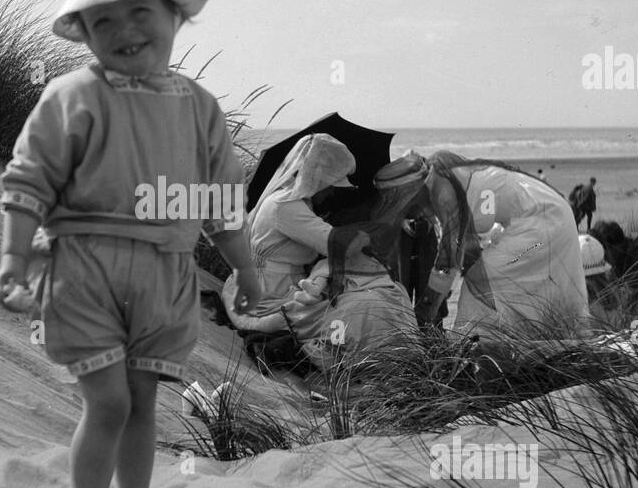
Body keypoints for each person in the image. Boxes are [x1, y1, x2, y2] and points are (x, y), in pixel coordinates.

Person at [0, 0, 260, 488]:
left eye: (139, 11)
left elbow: (222, 205)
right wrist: (12, 259)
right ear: (82, 32)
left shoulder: (200, 108)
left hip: (165, 277)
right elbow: (28, 179)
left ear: (176, 15)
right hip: (86, 268)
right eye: (102, 21)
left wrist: (247, 275)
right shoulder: (72, 96)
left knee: (142, 399)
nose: (123, 31)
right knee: (107, 400)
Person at [361, 151, 590, 346]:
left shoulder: (444, 195)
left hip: (542, 220)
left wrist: (426, 310)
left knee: (484, 282)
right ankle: (520, 340)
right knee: (502, 283)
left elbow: (448, 259)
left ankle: (478, 348)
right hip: (544, 213)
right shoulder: (439, 175)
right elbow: (461, 252)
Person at [221, 132, 356, 324]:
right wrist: (363, 235)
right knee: (346, 309)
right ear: (318, 179)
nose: (332, 191)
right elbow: (335, 245)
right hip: (272, 290)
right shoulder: (287, 206)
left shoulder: (283, 198)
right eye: (331, 184)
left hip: (262, 282)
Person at [283, 227, 419, 371]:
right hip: (384, 312)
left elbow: (316, 288)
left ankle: (363, 362)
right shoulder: (372, 262)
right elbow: (317, 286)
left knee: (357, 319)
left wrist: (312, 292)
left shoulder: (335, 263)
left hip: (368, 312)